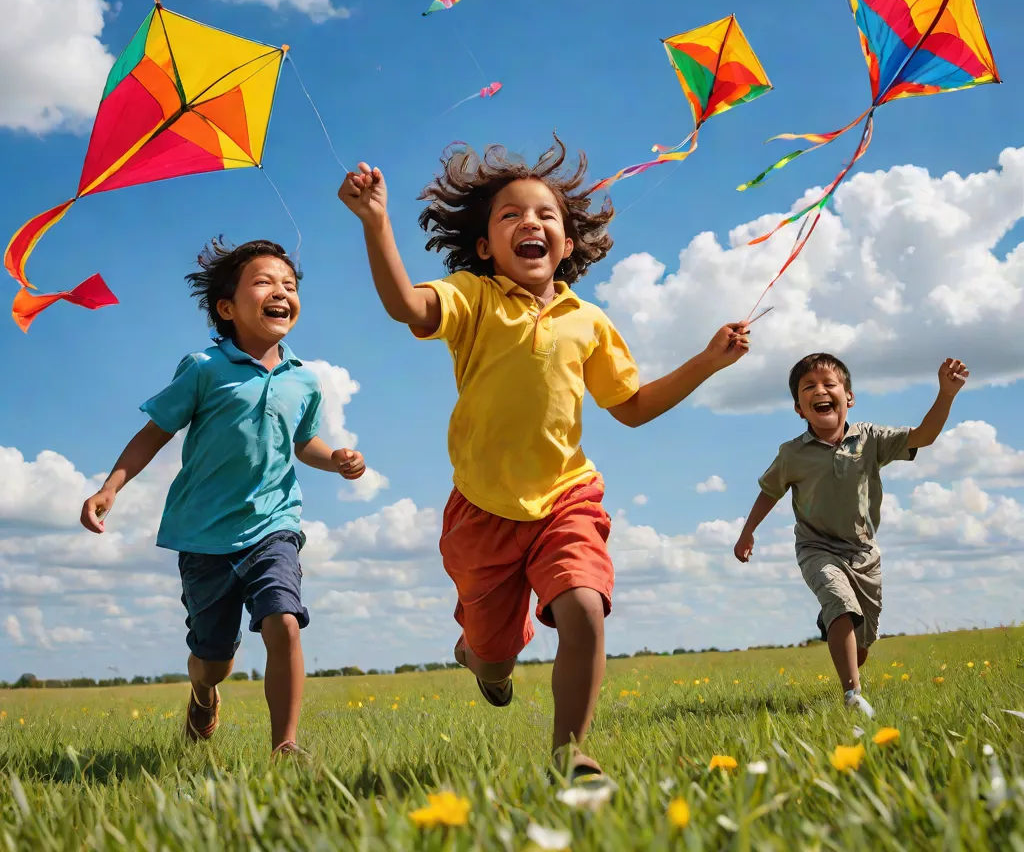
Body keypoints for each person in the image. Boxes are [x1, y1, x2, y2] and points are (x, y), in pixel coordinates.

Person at [338, 136, 750, 780]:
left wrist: (706, 360)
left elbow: (633, 406)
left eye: (545, 215)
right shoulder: (471, 297)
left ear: (567, 241)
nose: (530, 222)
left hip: (567, 495)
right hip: (483, 510)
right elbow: (407, 308)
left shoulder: (588, 320)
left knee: (584, 605)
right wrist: (376, 222)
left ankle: (570, 753)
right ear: (484, 247)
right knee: (496, 659)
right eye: (510, 216)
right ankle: (480, 656)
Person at [80, 239, 366, 757]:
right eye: (264, 282)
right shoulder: (204, 368)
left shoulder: (305, 379)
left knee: (283, 620)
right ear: (227, 308)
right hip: (203, 535)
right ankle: (203, 692)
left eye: (290, 285)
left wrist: (337, 459)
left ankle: (285, 746)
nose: (281, 291)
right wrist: (110, 486)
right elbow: (155, 432)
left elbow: (305, 444)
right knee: (213, 657)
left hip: (273, 524)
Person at [734, 352, 969, 717]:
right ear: (799, 408)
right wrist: (747, 532)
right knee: (840, 602)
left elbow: (923, 436)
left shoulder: (871, 439)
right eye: (809, 387)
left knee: (860, 646)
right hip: (816, 548)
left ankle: (839, 633)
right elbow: (770, 491)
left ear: (849, 398)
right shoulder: (792, 453)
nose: (820, 390)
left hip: (862, 553)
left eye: (829, 384)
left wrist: (946, 395)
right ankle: (852, 696)